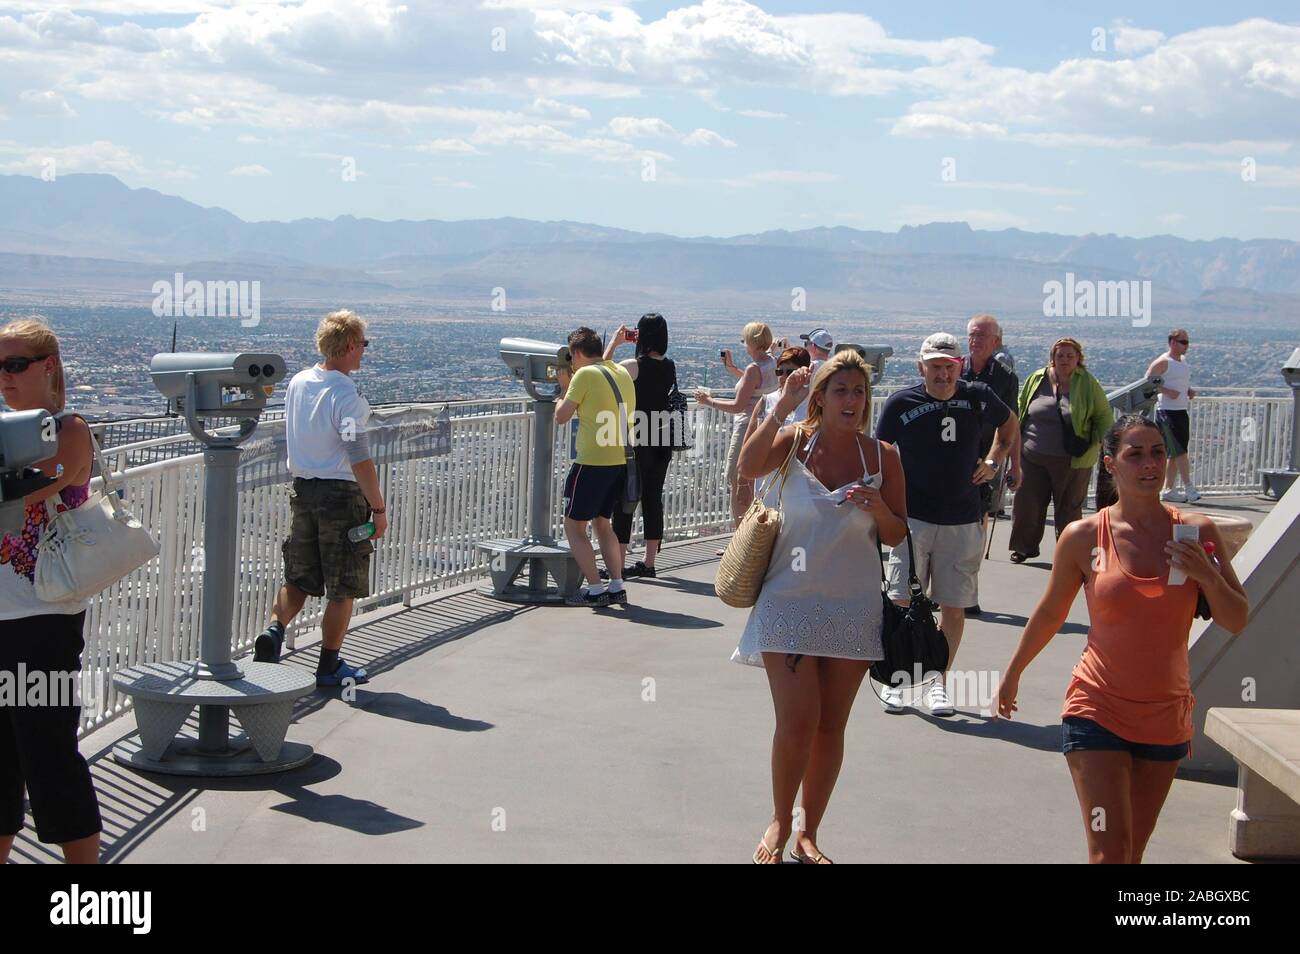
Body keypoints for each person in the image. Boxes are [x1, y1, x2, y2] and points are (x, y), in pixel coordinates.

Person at [994, 415, 1248, 863]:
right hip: (1097, 708)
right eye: (1135, 454)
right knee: (1109, 853)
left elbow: (1236, 618)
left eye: (1157, 453)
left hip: (1165, 716)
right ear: (1110, 464)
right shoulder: (1084, 536)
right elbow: (1052, 611)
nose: (1150, 464)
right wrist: (1013, 673)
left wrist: (1205, 573)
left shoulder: (1196, 532)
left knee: (1131, 855)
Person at [734, 350, 907, 863]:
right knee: (797, 721)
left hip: (853, 606)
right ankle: (780, 820)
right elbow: (747, 467)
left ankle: (810, 833)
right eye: (840, 391)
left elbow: (899, 535)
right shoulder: (794, 444)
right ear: (821, 398)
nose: (851, 401)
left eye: (859, 392)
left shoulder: (883, 457)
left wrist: (879, 508)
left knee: (831, 725)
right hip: (788, 601)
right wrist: (781, 406)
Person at [0, 318, 102, 864]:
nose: (6, 377)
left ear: (48, 367)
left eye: (16, 364)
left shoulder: (68, 430)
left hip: (43, 620)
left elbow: (29, 485)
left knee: (50, 758)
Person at [876, 332, 1018, 716]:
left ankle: (937, 682)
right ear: (921, 367)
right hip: (913, 519)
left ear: (959, 366)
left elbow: (1010, 425)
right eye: (935, 367)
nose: (942, 374)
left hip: (962, 518)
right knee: (901, 598)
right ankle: (899, 680)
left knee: (953, 606)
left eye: (949, 366)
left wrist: (993, 462)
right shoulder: (900, 402)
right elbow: (879, 454)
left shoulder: (977, 396)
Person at [253, 310, 386, 687]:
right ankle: (328, 664)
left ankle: (275, 631)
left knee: (299, 574)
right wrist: (378, 508)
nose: (364, 351)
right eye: (363, 344)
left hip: (303, 490)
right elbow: (358, 457)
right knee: (343, 584)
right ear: (347, 347)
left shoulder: (298, 383)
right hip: (340, 497)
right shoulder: (346, 395)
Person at [1008, 338, 1113, 564]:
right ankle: (1023, 547)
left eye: (1069, 356)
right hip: (1031, 455)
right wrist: (1012, 439)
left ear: (1078, 359)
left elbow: (1103, 415)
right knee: (1027, 503)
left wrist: (1101, 443)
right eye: (1060, 355)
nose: (1064, 360)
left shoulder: (1087, 383)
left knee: (1069, 509)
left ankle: (1069, 553)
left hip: (1072, 459)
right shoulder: (1037, 378)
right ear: (1052, 358)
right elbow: (1020, 407)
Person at [556, 327, 636, 608]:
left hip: (591, 463)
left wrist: (565, 386)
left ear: (576, 353)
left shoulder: (584, 376)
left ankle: (594, 588)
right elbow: (605, 364)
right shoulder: (620, 373)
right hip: (619, 461)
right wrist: (613, 343)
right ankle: (617, 585)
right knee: (603, 524)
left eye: (571, 357)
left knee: (574, 527)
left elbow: (561, 416)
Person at [605, 313, 676, 579]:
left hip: (637, 441)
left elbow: (601, 371)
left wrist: (614, 341)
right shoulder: (670, 366)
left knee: (625, 500)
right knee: (652, 500)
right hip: (662, 440)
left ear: (642, 335)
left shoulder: (634, 366)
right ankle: (648, 563)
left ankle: (619, 566)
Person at [961, 314, 1021, 617]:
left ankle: (968, 592)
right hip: (952, 458)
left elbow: (1011, 424)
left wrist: (1011, 465)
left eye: (983, 335)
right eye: (972, 334)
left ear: (996, 341)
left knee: (975, 527)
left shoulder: (1005, 378)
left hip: (986, 462)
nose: (976, 340)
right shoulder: (954, 369)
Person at [694, 322, 778, 528]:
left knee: (738, 479)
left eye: (745, 341)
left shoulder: (753, 368)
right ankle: (755, 532)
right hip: (765, 425)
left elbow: (738, 405)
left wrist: (708, 401)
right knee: (754, 480)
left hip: (746, 427)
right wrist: (732, 369)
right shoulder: (772, 362)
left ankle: (739, 537)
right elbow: (756, 385)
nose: (744, 345)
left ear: (752, 342)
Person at [1147, 329, 1198, 502]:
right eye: (1183, 342)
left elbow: (1180, 381)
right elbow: (1148, 380)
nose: (1186, 346)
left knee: (1175, 453)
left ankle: (1168, 489)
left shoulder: (1182, 361)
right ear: (1172, 342)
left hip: (1180, 410)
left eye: (1187, 342)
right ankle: (1189, 486)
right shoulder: (1163, 361)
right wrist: (1166, 391)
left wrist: (1187, 390)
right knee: (1180, 451)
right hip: (1167, 412)